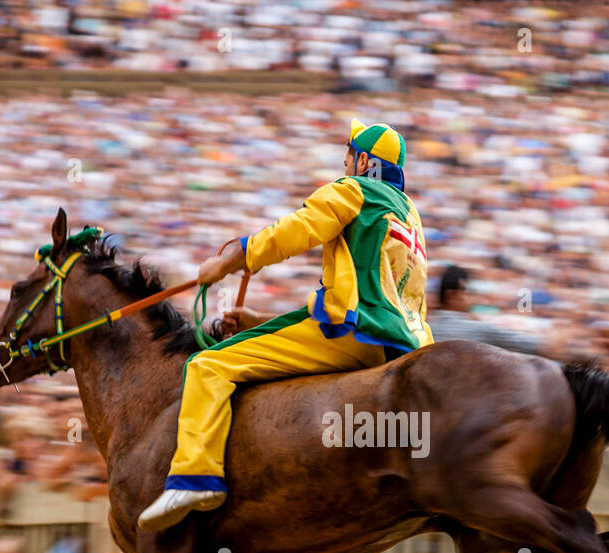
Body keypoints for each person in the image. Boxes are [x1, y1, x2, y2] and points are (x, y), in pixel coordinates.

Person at [139, 120, 432, 531]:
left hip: (355, 335)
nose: (345, 163)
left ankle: (195, 478)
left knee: (207, 367)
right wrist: (261, 322)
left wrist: (229, 261)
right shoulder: (409, 213)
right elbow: (359, 290)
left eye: (348, 155)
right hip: (403, 346)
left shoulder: (353, 190)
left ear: (364, 161)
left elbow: (294, 231)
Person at [428, 264, 544, 354]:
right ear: (452, 296)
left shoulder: (424, 328)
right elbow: (530, 344)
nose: (473, 299)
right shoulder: (479, 330)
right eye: (468, 293)